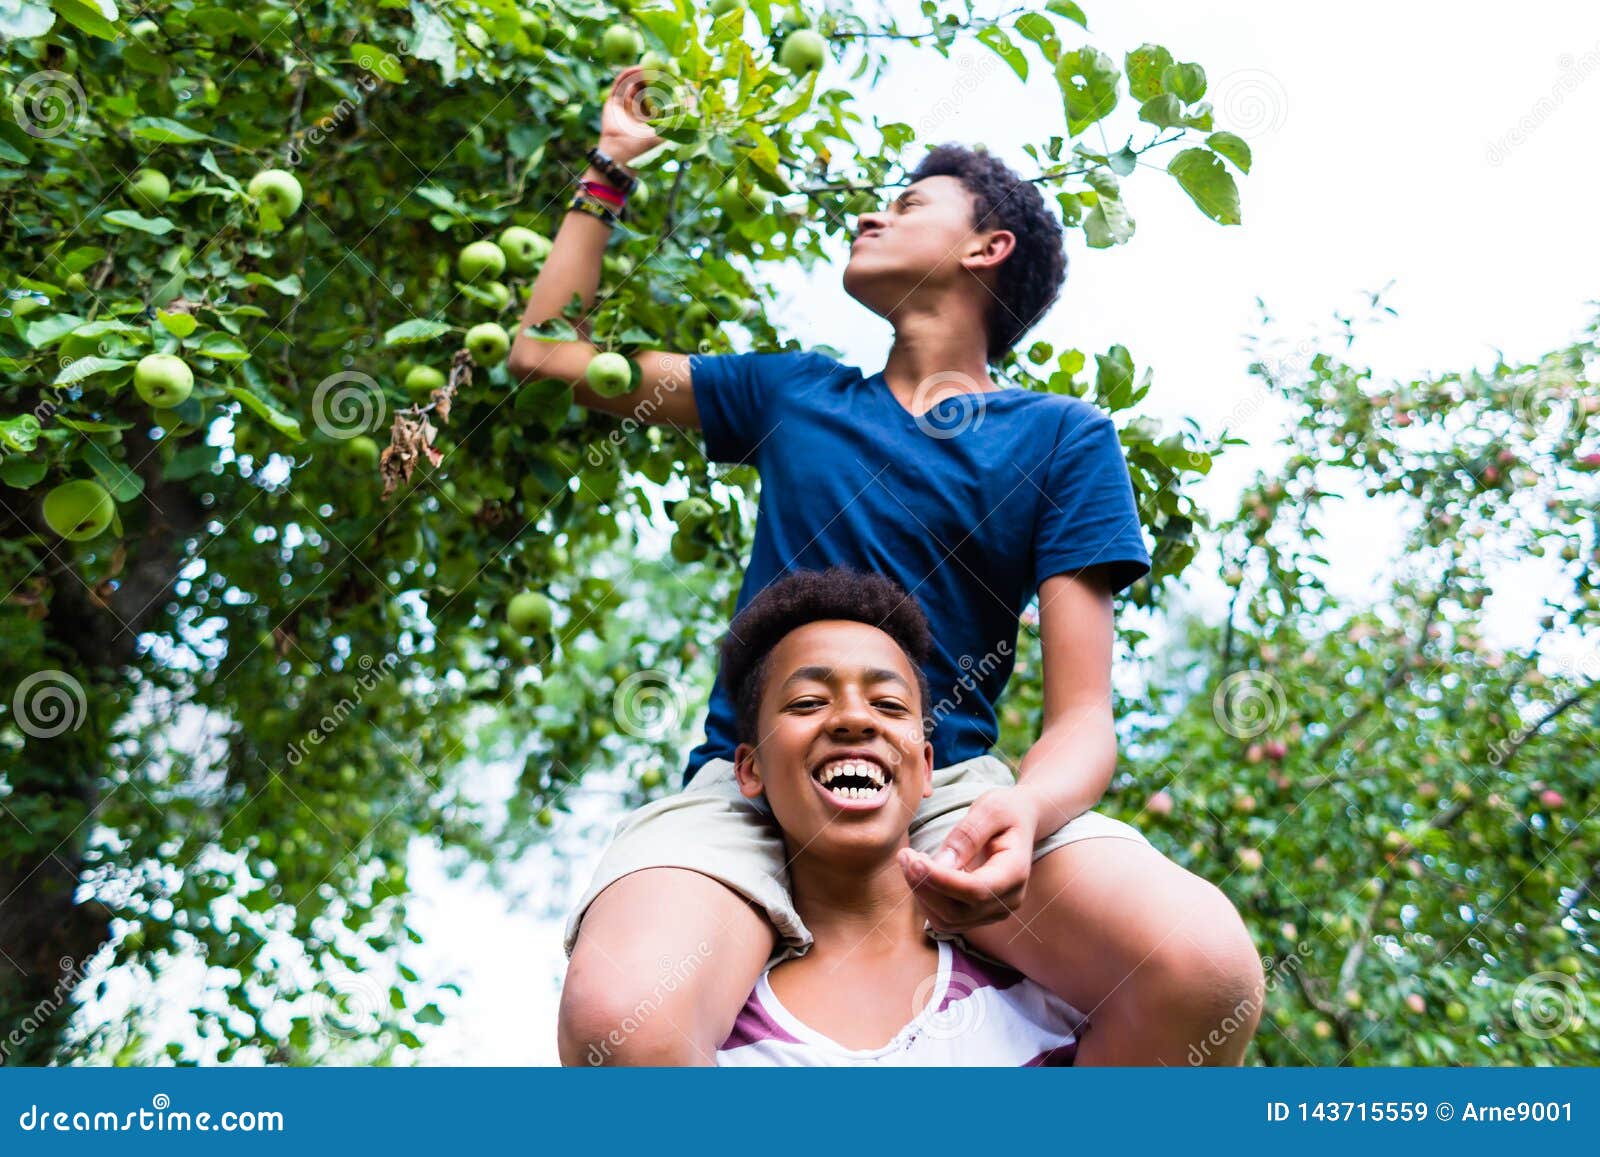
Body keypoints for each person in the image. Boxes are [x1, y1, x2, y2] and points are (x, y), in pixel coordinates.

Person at [510, 67, 1264, 1066]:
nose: (871, 213)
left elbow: (1083, 714)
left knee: (1202, 969)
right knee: (621, 1023)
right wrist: (612, 166)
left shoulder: (1063, 439)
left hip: (947, 787)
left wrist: (1022, 810)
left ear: (985, 249)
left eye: (908, 204)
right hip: (746, 787)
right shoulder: (789, 394)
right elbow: (547, 354)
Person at [710, 568, 1085, 1067]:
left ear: (926, 767)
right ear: (750, 770)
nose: (855, 718)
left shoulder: (1055, 1010)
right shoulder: (704, 1038)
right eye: (807, 702)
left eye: (888, 704)